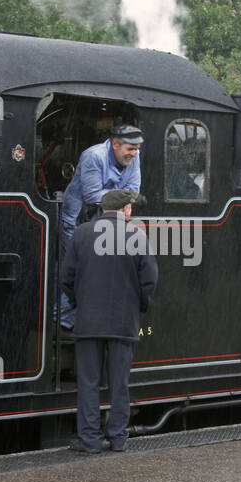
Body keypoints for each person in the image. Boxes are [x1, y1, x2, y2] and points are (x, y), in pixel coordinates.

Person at [60, 188, 158, 454]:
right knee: (119, 384)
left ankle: (90, 439)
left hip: (88, 321)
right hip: (123, 322)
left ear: (103, 210)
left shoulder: (81, 234)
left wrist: (79, 302)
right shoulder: (137, 236)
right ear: (126, 210)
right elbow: (150, 279)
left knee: (88, 382)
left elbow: (66, 278)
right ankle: (117, 437)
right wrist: (138, 305)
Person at [59, 123, 143, 328]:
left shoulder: (134, 156)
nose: (134, 153)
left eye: (137, 149)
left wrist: (126, 199)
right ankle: (62, 321)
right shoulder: (93, 156)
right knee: (80, 271)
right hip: (78, 221)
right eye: (130, 149)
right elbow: (92, 195)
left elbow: (134, 189)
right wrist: (124, 198)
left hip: (104, 222)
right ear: (115, 144)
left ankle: (82, 321)